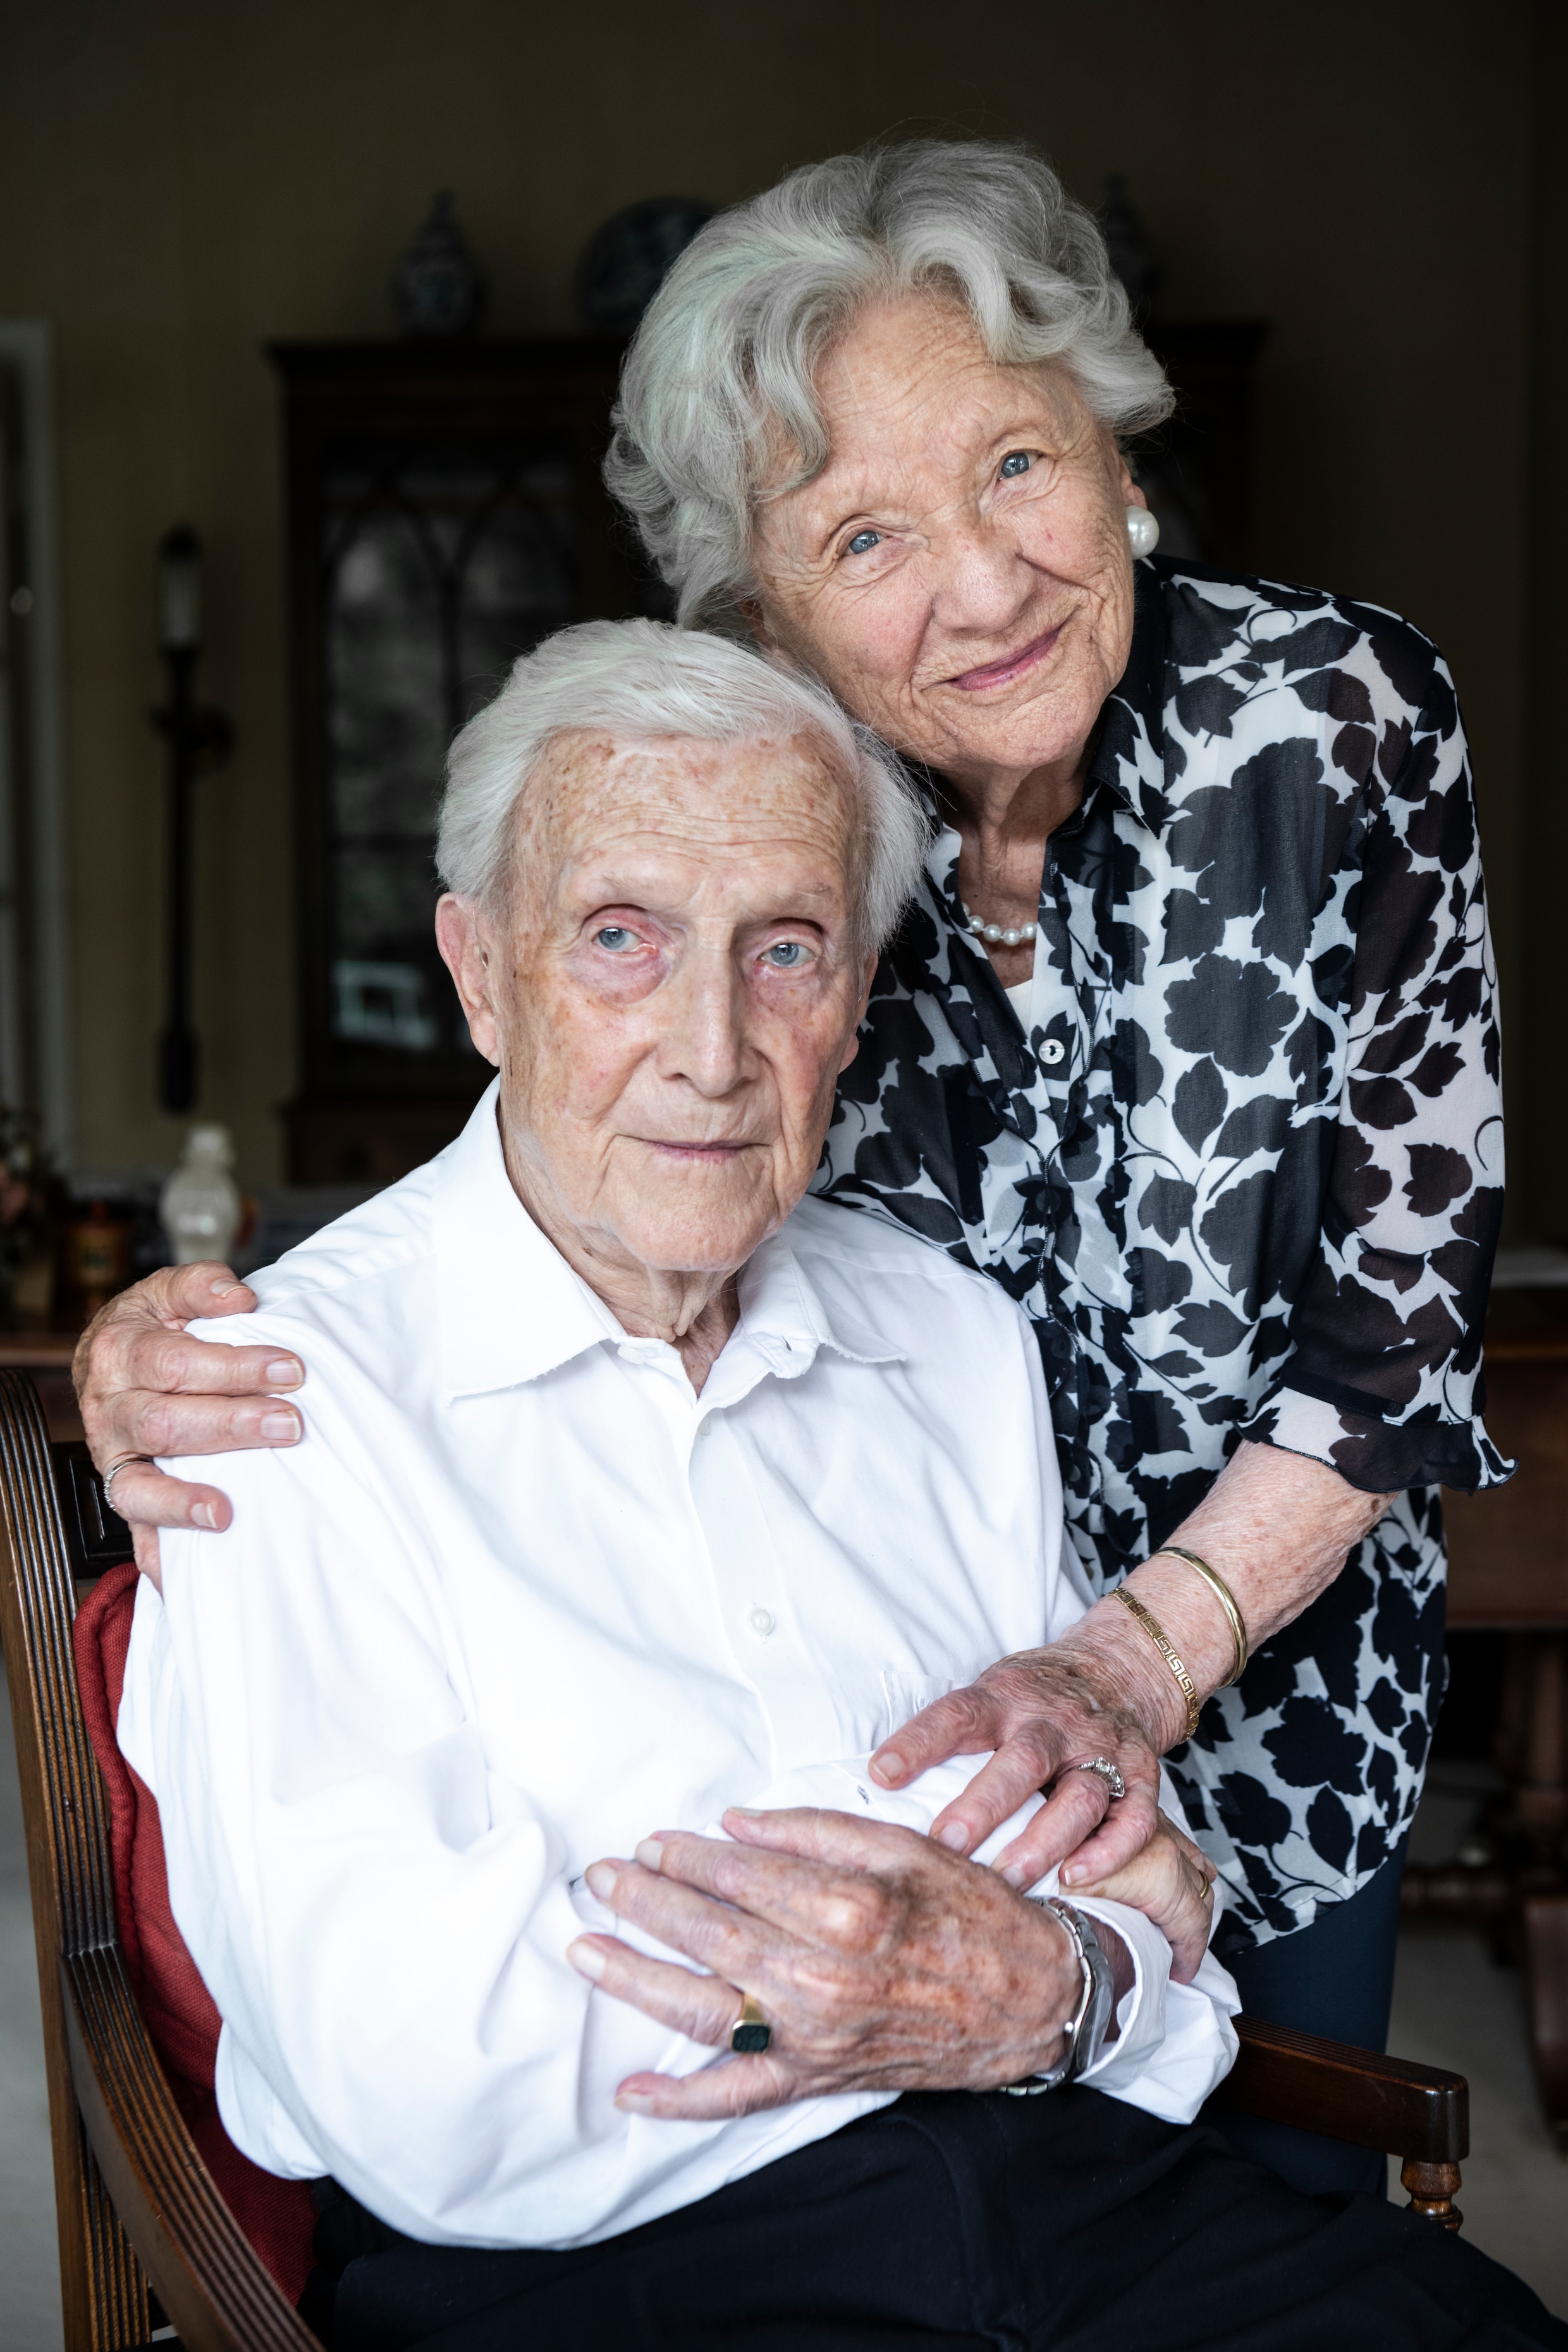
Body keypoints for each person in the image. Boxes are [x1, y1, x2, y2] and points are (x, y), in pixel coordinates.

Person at [80, 142, 1505, 2197]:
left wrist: (1128, 1670)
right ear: (776, 610)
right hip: (902, 1706)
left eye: (1019, 466)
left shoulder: (1328, 725)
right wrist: (222, 1331)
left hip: (1259, 1702)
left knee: (1245, 2232)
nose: (986, 583)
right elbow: (618, 1091)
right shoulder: (810, 815)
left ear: (1114, 454)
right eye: (867, 535)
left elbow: (1398, 1325)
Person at [119, 621, 1560, 2351]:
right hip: (620, 2279)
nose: (712, 1048)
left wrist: (1050, 1984)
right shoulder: (278, 1395)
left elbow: (1147, 1932)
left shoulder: (947, 1339)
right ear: (481, 973)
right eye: (621, 941)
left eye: (786, 950)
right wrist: (936, 1984)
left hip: (1086, 2201)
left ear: (862, 994)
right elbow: (425, 2079)